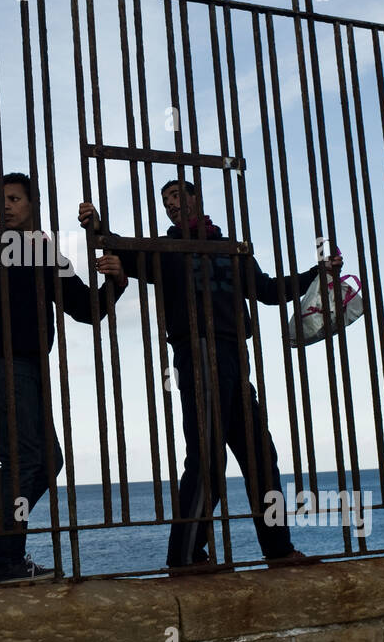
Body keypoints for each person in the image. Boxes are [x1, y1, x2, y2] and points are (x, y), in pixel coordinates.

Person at [78, 180, 341, 569]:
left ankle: (279, 551)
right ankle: (184, 557)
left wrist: (317, 273)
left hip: (236, 354)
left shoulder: (230, 249)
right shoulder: (163, 252)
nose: (171, 206)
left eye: (177, 197)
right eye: (165, 201)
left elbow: (268, 291)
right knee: (207, 459)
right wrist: (96, 227)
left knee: (260, 457)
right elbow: (118, 246)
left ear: (196, 198)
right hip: (197, 353)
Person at [0, 173, 128, 583]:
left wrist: (116, 283)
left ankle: (0, 550)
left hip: (30, 367)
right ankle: (3, 554)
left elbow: (86, 309)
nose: (7, 206)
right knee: (27, 459)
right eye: (3, 200)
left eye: (15, 199)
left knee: (47, 460)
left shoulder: (46, 253)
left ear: (32, 205)